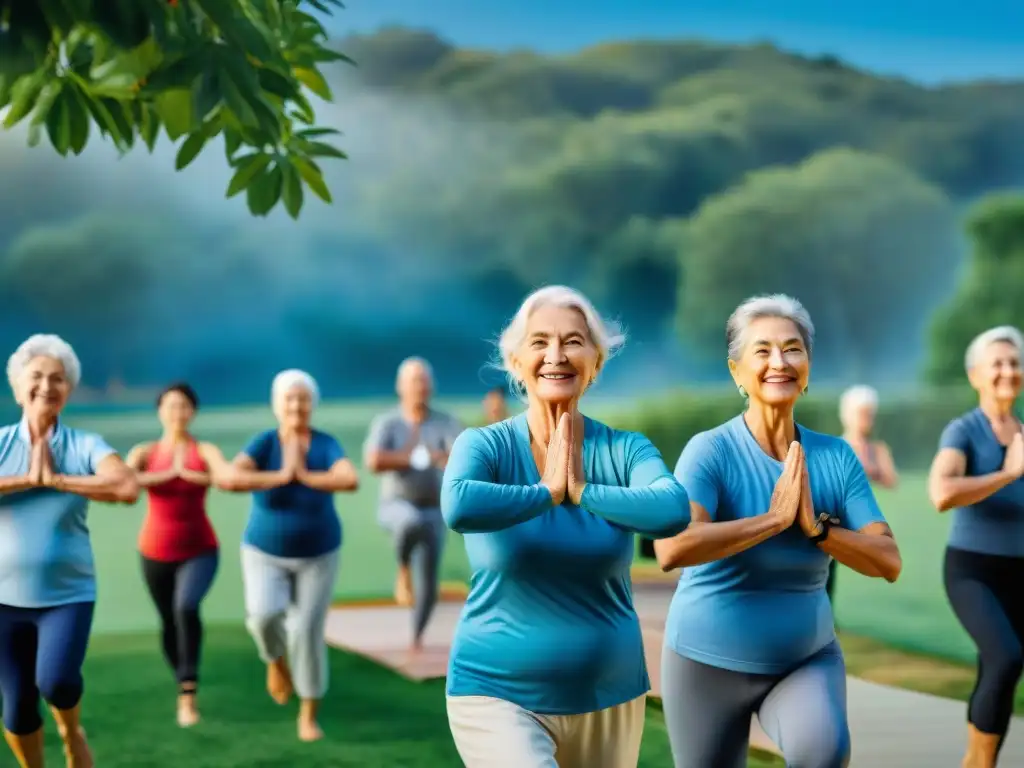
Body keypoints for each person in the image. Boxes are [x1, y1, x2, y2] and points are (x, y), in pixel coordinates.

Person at [441, 285, 691, 768]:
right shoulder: (485, 447)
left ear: (595, 363)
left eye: (573, 341)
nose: (556, 355)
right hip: (494, 691)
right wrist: (545, 493)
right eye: (539, 342)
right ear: (516, 362)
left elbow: (672, 509)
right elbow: (458, 505)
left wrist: (581, 492)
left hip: (610, 696)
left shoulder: (624, 450)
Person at [654, 294, 902, 768]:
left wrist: (819, 532)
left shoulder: (834, 457)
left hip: (804, 660)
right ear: (736, 372)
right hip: (704, 663)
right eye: (762, 350)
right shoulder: (710, 452)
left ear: (807, 366)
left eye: (793, 349)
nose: (779, 362)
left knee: (823, 753)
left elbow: (888, 560)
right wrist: (773, 520)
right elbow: (672, 547)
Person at [0, 334, 139, 768]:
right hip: (3, 598)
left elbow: (126, 486)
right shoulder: (2, 443)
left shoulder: (84, 445)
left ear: (68, 390)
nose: (46, 385)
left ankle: (70, 729)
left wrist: (58, 480)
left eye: (58, 379)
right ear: (18, 386)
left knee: (57, 682)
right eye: (36, 376)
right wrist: (28, 479)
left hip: (67, 594)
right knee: (18, 710)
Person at [215, 369, 358, 742]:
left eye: (303, 399)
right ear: (277, 406)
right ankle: (275, 662)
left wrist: (305, 476)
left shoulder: (325, 444)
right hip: (265, 551)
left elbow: (349, 478)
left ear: (312, 404)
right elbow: (232, 478)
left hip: (319, 554)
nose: (297, 405)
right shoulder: (264, 443)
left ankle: (308, 713)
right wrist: (281, 476)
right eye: (290, 399)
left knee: (308, 632)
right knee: (264, 616)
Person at [928, 325, 1024, 768]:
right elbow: (941, 492)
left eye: (1014, 362)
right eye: (997, 363)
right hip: (973, 571)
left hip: (1019, 572)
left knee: (1001, 667)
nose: (1008, 371)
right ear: (975, 376)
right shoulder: (962, 430)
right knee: (1005, 657)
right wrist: (1007, 473)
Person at [125, 382, 228, 728]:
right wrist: (164, 475)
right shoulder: (145, 451)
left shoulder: (205, 450)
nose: (177, 413)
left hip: (200, 550)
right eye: (170, 406)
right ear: (160, 411)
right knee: (169, 621)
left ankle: (188, 694)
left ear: (193, 412)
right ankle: (182, 678)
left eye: (184, 406)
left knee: (186, 606)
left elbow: (224, 474)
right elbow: (122, 483)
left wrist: (204, 476)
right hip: (154, 551)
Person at [363, 357, 462, 651]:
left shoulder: (446, 421)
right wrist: (413, 457)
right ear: (400, 386)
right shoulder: (389, 423)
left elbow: (460, 457)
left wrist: (438, 457)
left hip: (434, 507)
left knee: (429, 587)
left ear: (431, 386)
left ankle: (416, 639)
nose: (419, 387)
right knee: (409, 522)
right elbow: (374, 460)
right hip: (398, 503)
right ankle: (403, 569)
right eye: (413, 381)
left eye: (423, 381)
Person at [829, 384, 900, 606]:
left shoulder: (877, 449)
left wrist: (871, 465)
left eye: (870, 414)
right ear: (846, 415)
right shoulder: (837, 447)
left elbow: (891, 480)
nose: (867, 419)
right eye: (862, 413)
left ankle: (826, 618)